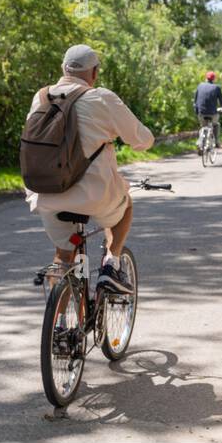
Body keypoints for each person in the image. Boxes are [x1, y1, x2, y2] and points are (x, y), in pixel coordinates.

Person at [25, 44, 154, 293]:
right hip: (93, 195)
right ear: (94, 73)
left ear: (63, 68)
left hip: (45, 194)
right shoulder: (101, 98)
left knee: (64, 255)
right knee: (125, 205)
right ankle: (111, 265)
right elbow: (143, 139)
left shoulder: (41, 97)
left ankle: (60, 323)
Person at [193, 70, 222, 154]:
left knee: (202, 126)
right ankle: (217, 142)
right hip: (212, 113)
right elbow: (221, 101)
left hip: (201, 112)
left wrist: (196, 111)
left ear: (205, 78)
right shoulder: (217, 87)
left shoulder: (200, 86)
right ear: (214, 79)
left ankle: (200, 142)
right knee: (216, 124)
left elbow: (195, 100)